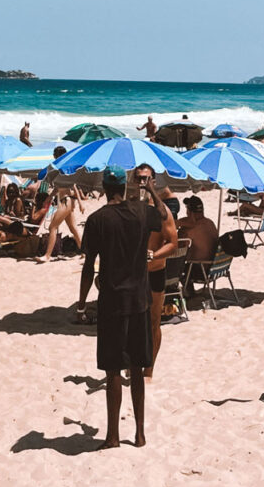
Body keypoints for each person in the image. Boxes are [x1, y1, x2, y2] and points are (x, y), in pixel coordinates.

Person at [75, 167, 154, 448]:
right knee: (137, 369)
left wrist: (82, 302)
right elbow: (166, 217)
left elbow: (88, 266)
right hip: (141, 301)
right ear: (126, 185)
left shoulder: (97, 220)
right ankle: (140, 433)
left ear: (104, 186)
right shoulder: (141, 212)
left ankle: (112, 436)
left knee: (112, 373)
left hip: (112, 303)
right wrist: (148, 189)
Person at [129, 164, 178, 376]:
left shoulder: (163, 211)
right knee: (131, 322)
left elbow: (172, 243)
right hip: (132, 274)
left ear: (154, 181)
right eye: (139, 179)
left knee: (153, 322)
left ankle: (148, 370)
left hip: (155, 271)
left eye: (146, 179)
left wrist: (154, 255)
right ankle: (133, 366)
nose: (142, 183)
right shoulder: (128, 207)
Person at [177, 195, 218, 264]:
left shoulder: (188, 231)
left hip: (195, 268)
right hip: (210, 265)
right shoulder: (210, 223)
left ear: (190, 212)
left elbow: (178, 252)